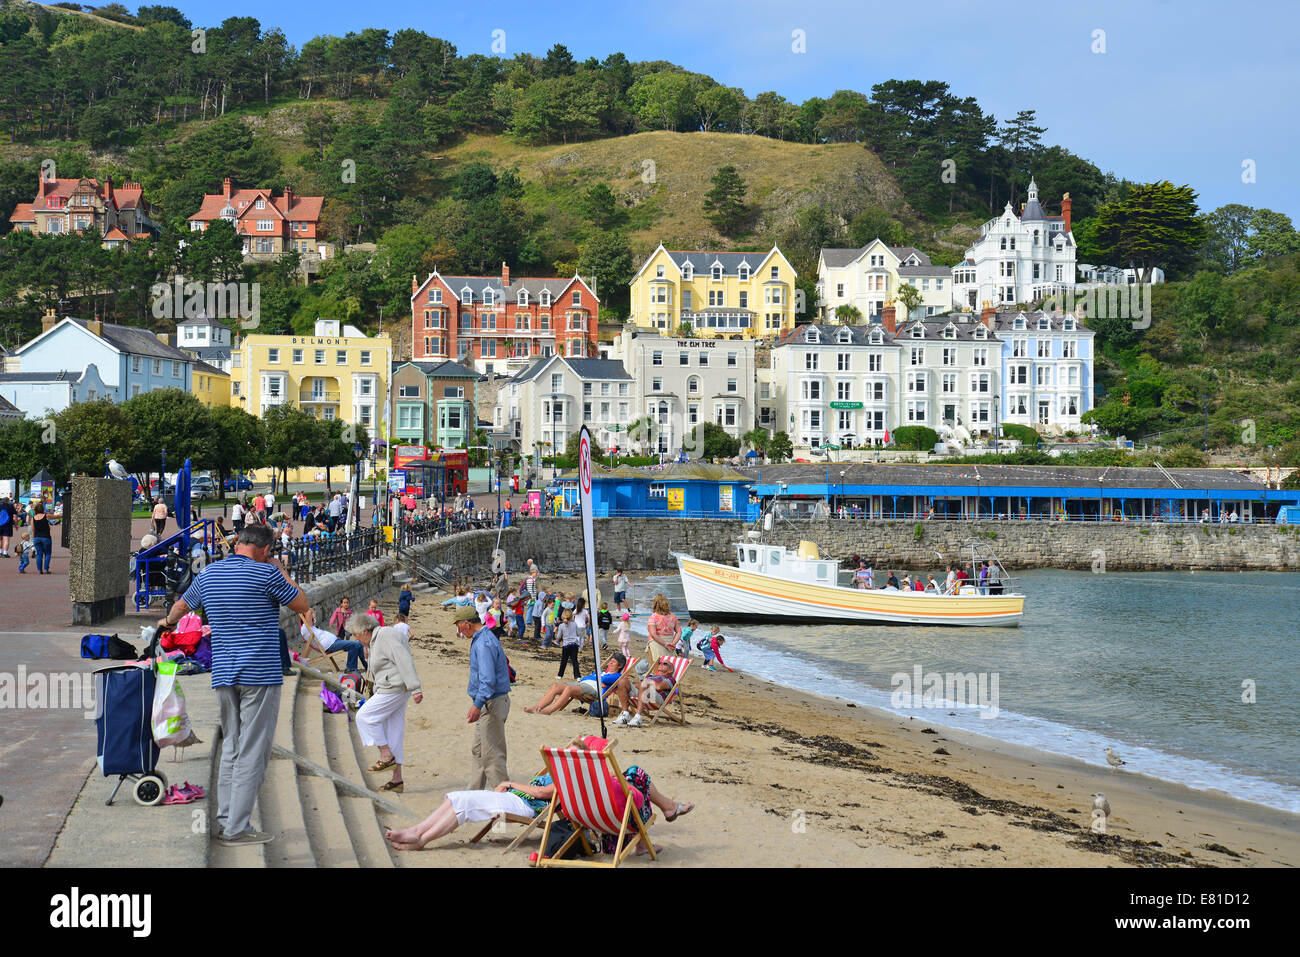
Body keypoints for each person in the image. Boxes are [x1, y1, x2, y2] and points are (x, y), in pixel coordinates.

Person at [159, 524, 309, 846]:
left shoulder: (210, 574)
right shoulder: (267, 575)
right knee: (253, 751)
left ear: (238, 543)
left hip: (224, 673)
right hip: (259, 675)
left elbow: (180, 607)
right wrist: (280, 569)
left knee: (232, 746)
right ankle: (236, 829)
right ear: (266, 550)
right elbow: (302, 603)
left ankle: (226, 818)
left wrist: (167, 623)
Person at [382, 738, 692, 852]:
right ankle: (416, 832)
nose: (564, 757)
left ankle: (421, 838)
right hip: (515, 798)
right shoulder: (566, 773)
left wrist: (513, 784)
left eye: (570, 754)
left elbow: (545, 792)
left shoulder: (570, 780)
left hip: (524, 805)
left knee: (464, 802)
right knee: (457, 799)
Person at [352, 612, 423, 792]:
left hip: (395, 687)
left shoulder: (385, 635)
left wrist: (416, 687)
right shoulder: (375, 640)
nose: (356, 638)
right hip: (393, 687)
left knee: (364, 717)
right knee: (394, 732)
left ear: (365, 630)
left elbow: (403, 658)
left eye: (356, 634)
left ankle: (386, 755)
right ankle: (397, 780)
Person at [458, 605, 511, 791]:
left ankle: (506, 798)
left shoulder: (483, 643)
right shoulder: (483, 638)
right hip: (489, 702)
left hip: (491, 703)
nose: (459, 631)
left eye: (458, 626)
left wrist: (477, 704)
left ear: (466, 624)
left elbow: (488, 680)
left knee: (492, 756)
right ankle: (473, 793)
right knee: (479, 751)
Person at [525, 653, 627, 715]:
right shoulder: (603, 673)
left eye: (613, 662)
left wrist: (599, 679)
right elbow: (588, 677)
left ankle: (549, 711)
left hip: (594, 689)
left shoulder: (617, 676)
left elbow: (603, 680)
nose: (609, 663)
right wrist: (599, 679)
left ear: (620, 665)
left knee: (569, 689)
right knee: (556, 686)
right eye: (610, 661)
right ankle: (538, 707)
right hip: (583, 683)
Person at [299, 608, 368, 673]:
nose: (312, 616)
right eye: (310, 615)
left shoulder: (311, 626)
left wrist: (311, 612)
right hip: (330, 645)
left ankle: (368, 666)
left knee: (358, 644)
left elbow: (312, 613)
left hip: (334, 642)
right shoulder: (305, 628)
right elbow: (308, 611)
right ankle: (351, 668)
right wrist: (305, 609)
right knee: (355, 645)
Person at [612, 659, 676, 727]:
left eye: (665, 664)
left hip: (656, 698)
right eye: (660, 663)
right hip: (642, 693)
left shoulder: (669, 679)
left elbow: (658, 687)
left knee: (644, 684)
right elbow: (637, 685)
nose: (660, 664)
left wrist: (646, 683)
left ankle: (638, 717)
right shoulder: (652, 677)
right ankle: (625, 714)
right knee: (622, 681)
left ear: (670, 670)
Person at [645, 592, 680, 662]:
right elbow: (679, 632)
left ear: (655, 604)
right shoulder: (673, 617)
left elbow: (653, 634)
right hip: (670, 642)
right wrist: (673, 643)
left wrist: (665, 644)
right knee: (669, 665)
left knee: (657, 666)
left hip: (657, 643)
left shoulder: (653, 617)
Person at [555, 609, 582, 679]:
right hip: (574, 644)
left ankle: (560, 675)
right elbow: (578, 634)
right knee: (574, 661)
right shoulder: (575, 624)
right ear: (571, 616)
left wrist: (557, 640)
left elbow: (558, 636)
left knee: (564, 661)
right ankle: (577, 676)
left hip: (566, 645)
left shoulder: (561, 625)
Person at [31, 503, 53, 575]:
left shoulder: (33, 518)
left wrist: (34, 538)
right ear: (42, 509)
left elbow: (33, 529)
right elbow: (55, 516)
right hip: (46, 537)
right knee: (47, 553)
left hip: (37, 537)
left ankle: (39, 570)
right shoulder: (46, 516)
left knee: (39, 554)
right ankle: (46, 569)